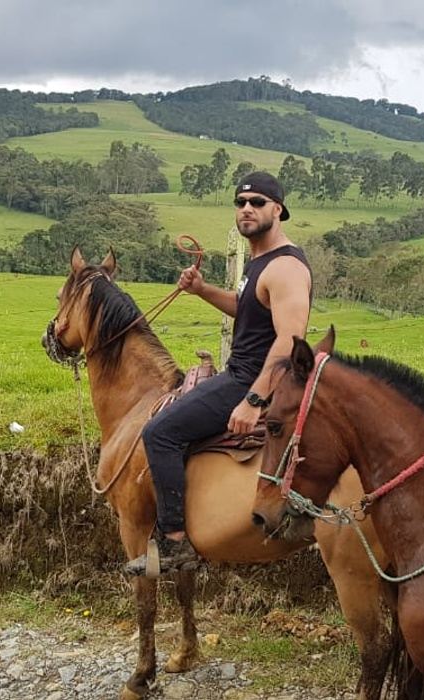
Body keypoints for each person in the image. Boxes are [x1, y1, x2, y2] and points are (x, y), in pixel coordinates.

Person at [125, 172, 313, 576]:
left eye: (258, 202)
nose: (247, 208)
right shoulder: (260, 262)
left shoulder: (285, 268)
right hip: (242, 373)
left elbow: (290, 338)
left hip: (251, 380)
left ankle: (174, 543)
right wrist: (203, 291)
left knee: (160, 431)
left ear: (277, 210)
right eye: (241, 202)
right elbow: (248, 308)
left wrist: (254, 400)